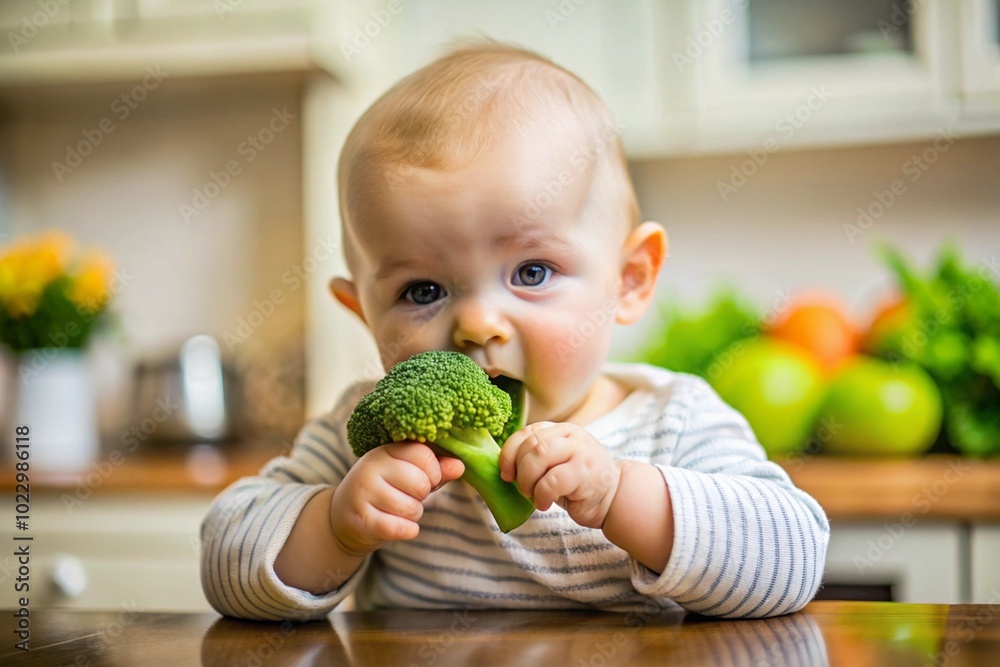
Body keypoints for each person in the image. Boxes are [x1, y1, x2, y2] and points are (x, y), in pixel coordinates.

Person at [200, 42, 829, 621]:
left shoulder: (672, 421)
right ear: (362, 312)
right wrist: (333, 528)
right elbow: (225, 558)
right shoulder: (365, 435)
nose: (476, 323)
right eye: (422, 291)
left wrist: (619, 493)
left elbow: (792, 558)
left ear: (630, 279)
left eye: (532, 271)